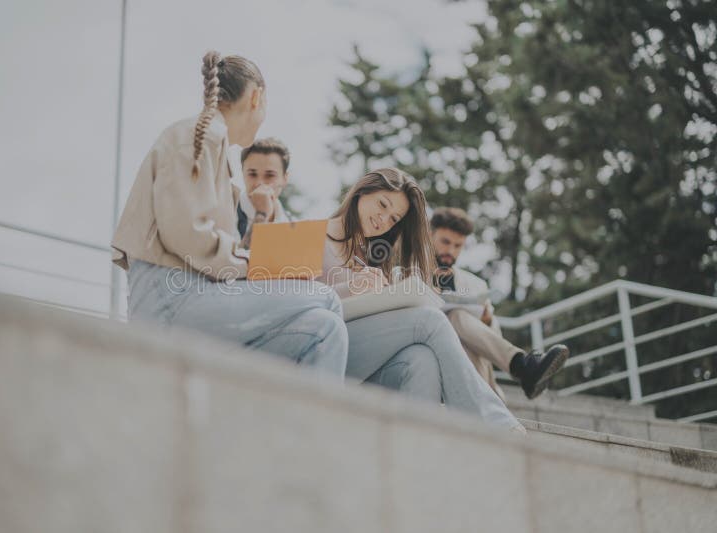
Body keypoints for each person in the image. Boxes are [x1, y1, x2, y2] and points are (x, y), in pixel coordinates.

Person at [111, 51, 348, 377]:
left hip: (193, 296)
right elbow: (185, 233)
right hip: (171, 296)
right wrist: (250, 267)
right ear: (256, 97)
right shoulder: (200, 135)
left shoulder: (209, 142)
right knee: (325, 298)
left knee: (325, 329)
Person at [317, 168, 523, 432]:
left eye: (394, 218)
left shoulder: (371, 257)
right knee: (429, 320)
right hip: (328, 347)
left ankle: (418, 451)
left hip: (363, 353)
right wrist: (350, 288)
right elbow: (298, 309)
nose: (383, 220)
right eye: (382, 204)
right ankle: (492, 424)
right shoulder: (314, 234)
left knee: (421, 359)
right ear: (361, 191)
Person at [430, 207, 569, 399]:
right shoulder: (407, 275)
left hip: (473, 361)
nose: (450, 251)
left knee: (459, 319)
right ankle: (522, 367)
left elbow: (492, 338)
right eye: (445, 242)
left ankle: (513, 374)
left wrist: (487, 321)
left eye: (457, 245)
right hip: (433, 353)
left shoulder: (476, 285)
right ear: (429, 237)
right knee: (454, 317)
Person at [236, 137, 291, 239]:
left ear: (285, 179)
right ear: (242, 173)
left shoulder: (295, 226)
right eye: (252, 174)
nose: (259, 183)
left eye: (270, 175)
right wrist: (261, 215)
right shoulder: (223, 217)